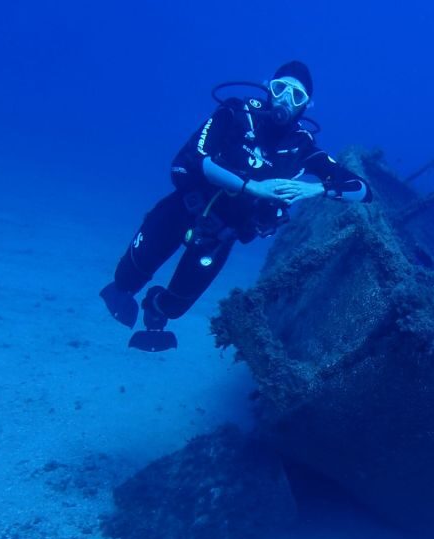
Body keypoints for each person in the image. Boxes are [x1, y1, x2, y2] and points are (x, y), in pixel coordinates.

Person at [100, 61, 372, 352]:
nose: (284, 100)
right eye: (280, 89)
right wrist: (250, 186)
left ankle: (155, 306)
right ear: (269, 88)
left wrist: (315, 187)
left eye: (296, 96)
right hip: (183, 209)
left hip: (219, 237)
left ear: (306, 105)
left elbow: (362, 190)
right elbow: (193, 158)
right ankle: (126, 290)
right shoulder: (236, 114)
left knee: (175, 306)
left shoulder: (303, 147)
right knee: (126, 277)